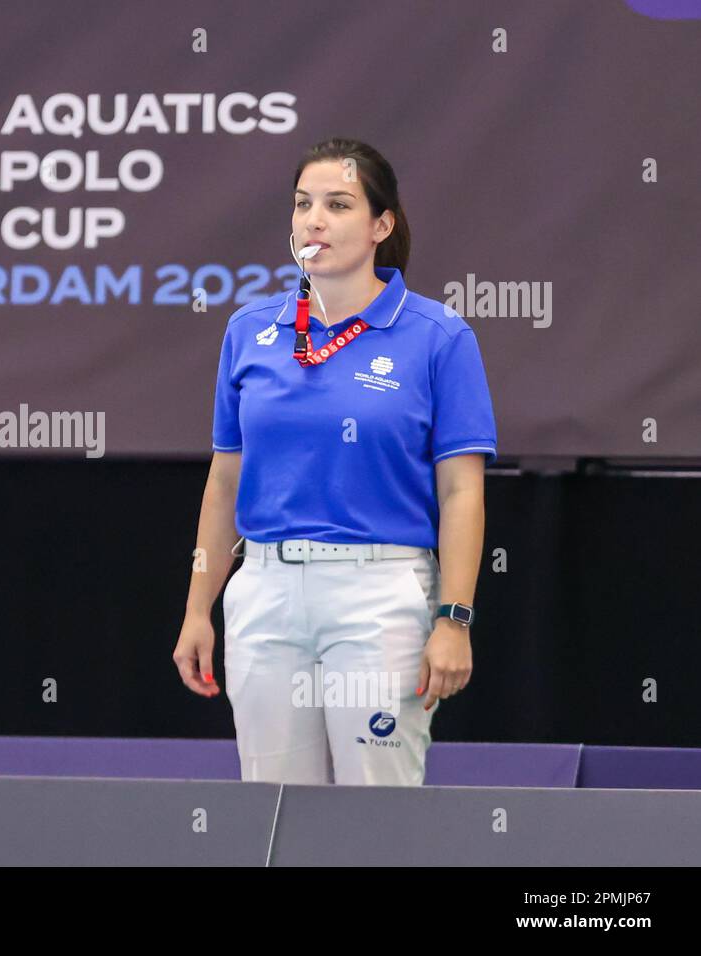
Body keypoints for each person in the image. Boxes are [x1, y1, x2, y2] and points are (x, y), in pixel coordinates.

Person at [172, 137, 497, 786]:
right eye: (302, 205)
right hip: (264, 588)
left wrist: (453, 619)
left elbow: (462, 493)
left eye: (338, 204)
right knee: (272, 807)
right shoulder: (249, 330)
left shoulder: (438, 336)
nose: (314, 220)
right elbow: (225, 480)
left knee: (373, 814)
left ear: (381, 225)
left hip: (378, 595)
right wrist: (196, 608)